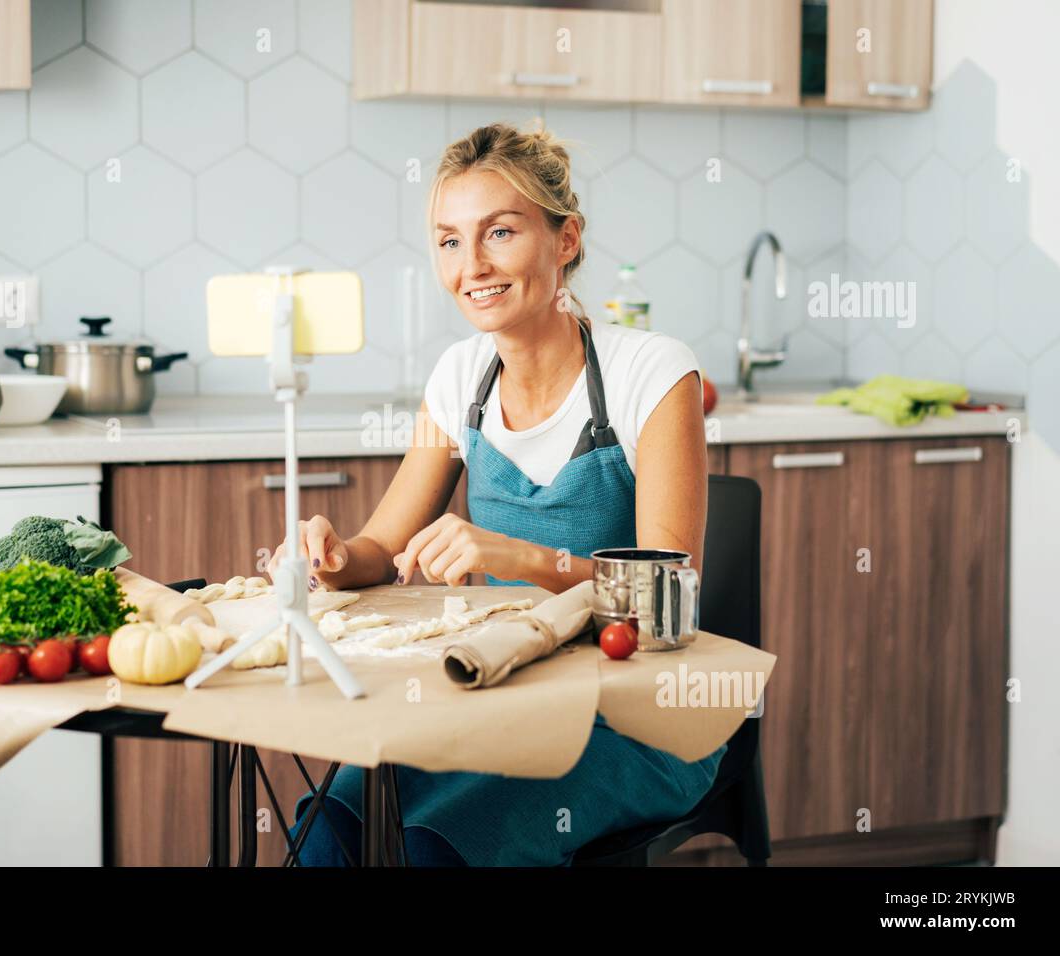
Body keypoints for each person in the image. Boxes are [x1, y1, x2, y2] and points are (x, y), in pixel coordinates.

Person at [272, 122, 726, 866]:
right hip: (502, 687)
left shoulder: (653, 371)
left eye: (500, 233)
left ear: (566, 239)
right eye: (450, 241)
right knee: (331, 826)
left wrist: (517, 553)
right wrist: (329, 554)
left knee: (429, 845)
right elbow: (380, 553)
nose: (472, 265)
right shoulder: (460, 378)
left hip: (640, 710)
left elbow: (664, 599)